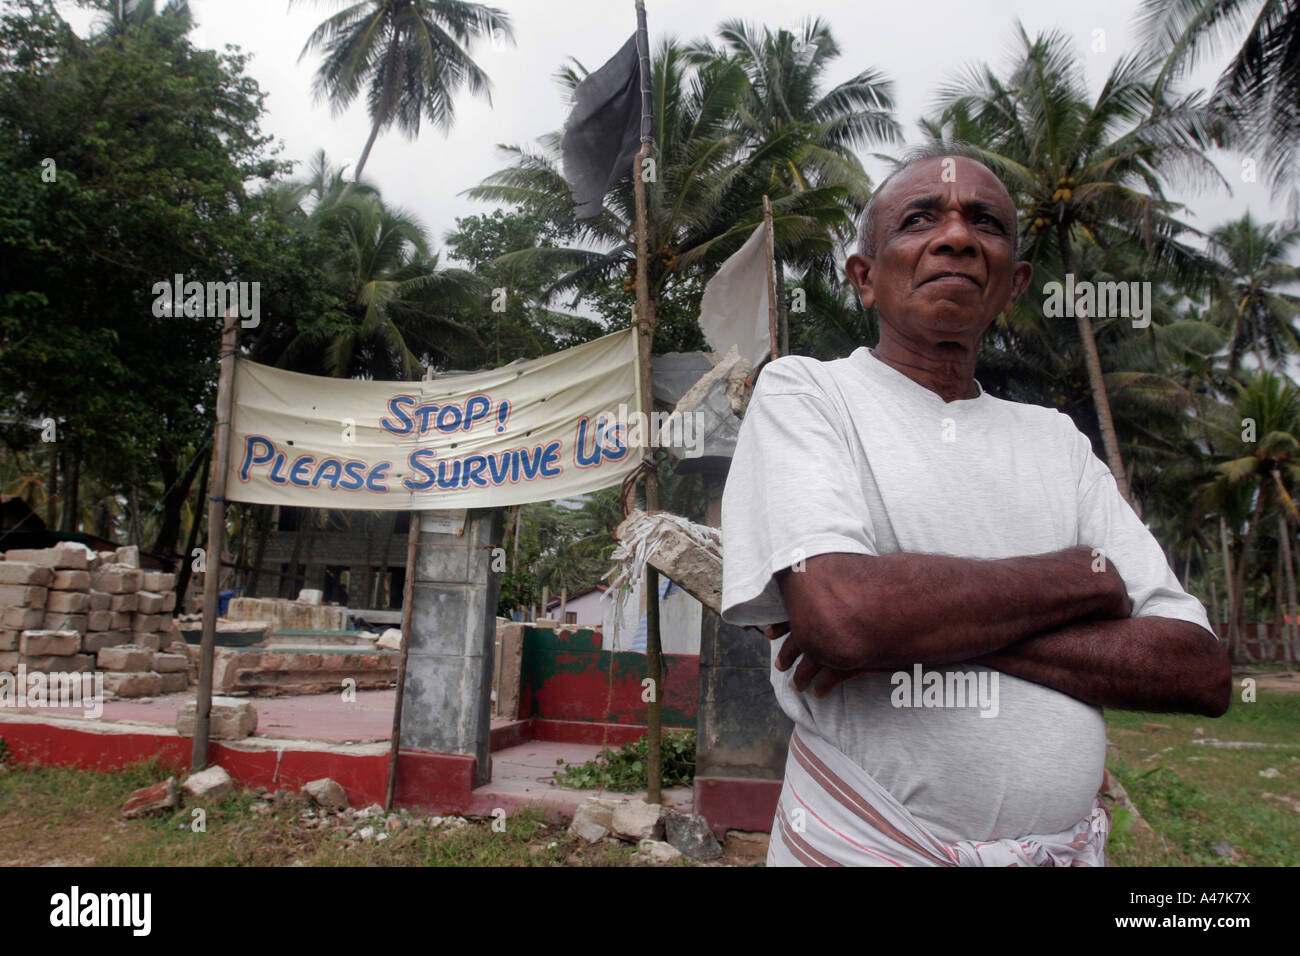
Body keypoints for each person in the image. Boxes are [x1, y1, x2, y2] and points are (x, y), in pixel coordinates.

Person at [719, 145, 1230, 867]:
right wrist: (1084, 582)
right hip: (865, 849)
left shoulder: (1055, 441)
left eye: (984, 222)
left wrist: (909, 630)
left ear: (1013, 285)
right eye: (919, 219)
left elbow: (1199, 672)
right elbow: (843, 616)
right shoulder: (808, 394)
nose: (956, 236)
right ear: (864, 278)